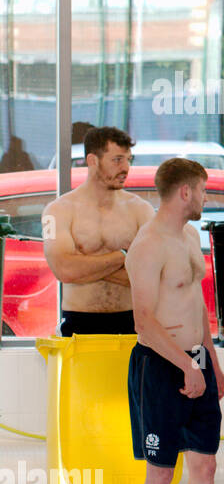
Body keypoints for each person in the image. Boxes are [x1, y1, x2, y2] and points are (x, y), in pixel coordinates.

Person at [124, 158, 224, 484]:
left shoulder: (188, 236)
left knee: (205, 463)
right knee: (160, 471)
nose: (207, 199)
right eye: (204, 191)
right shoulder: (147, 245)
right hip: (160, 366)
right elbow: (144, 323)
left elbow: (194, 306)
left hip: (196, 360)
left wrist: (211, 361)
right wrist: (185, 367)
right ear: (185, 192)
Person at [42, 127, 155, 335]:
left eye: (128, 159)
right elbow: (64, 270)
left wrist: (84, 267)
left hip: (132, 322)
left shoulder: (141, 210)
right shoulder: (58, 210)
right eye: (117, 160)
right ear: (92, 160)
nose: (126, 168)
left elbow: (153, 278)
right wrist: (123, 256)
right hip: (78, 324)